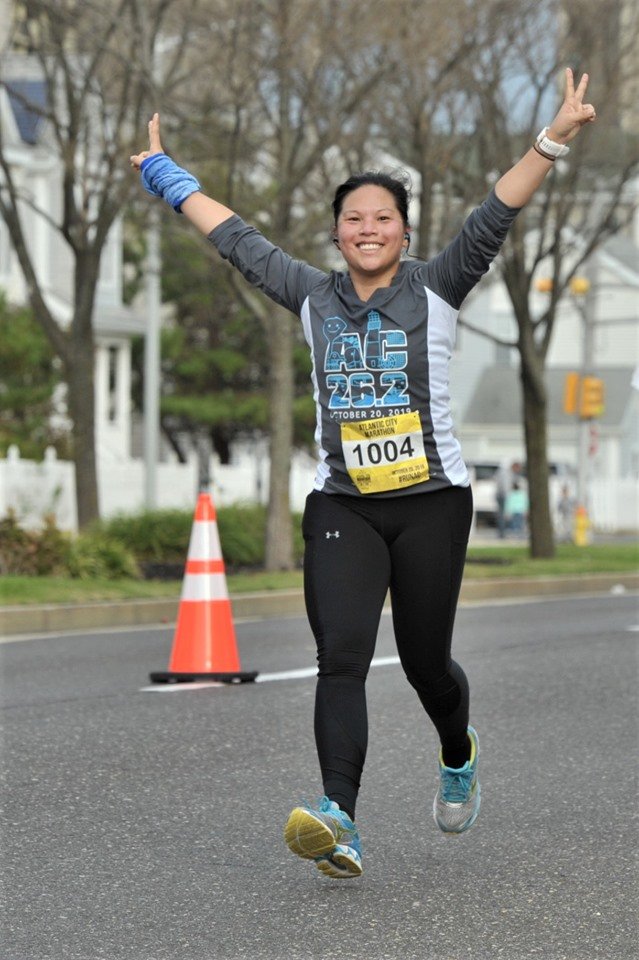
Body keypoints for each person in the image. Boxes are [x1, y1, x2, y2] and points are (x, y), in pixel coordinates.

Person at [130, 68, 596, 879]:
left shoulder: (438, 287)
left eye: (383, 218)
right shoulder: (312, 297)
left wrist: (551, 139)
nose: (367, 228)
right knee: (340, 657)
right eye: (353, 218)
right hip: (343, 504)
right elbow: (237, 239)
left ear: (404, 234)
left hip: (431, 504)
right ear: (337, 234)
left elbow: (497, 209)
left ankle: (457, 750)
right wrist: (166, 176)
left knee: (424, 665)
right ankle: (338, 817)